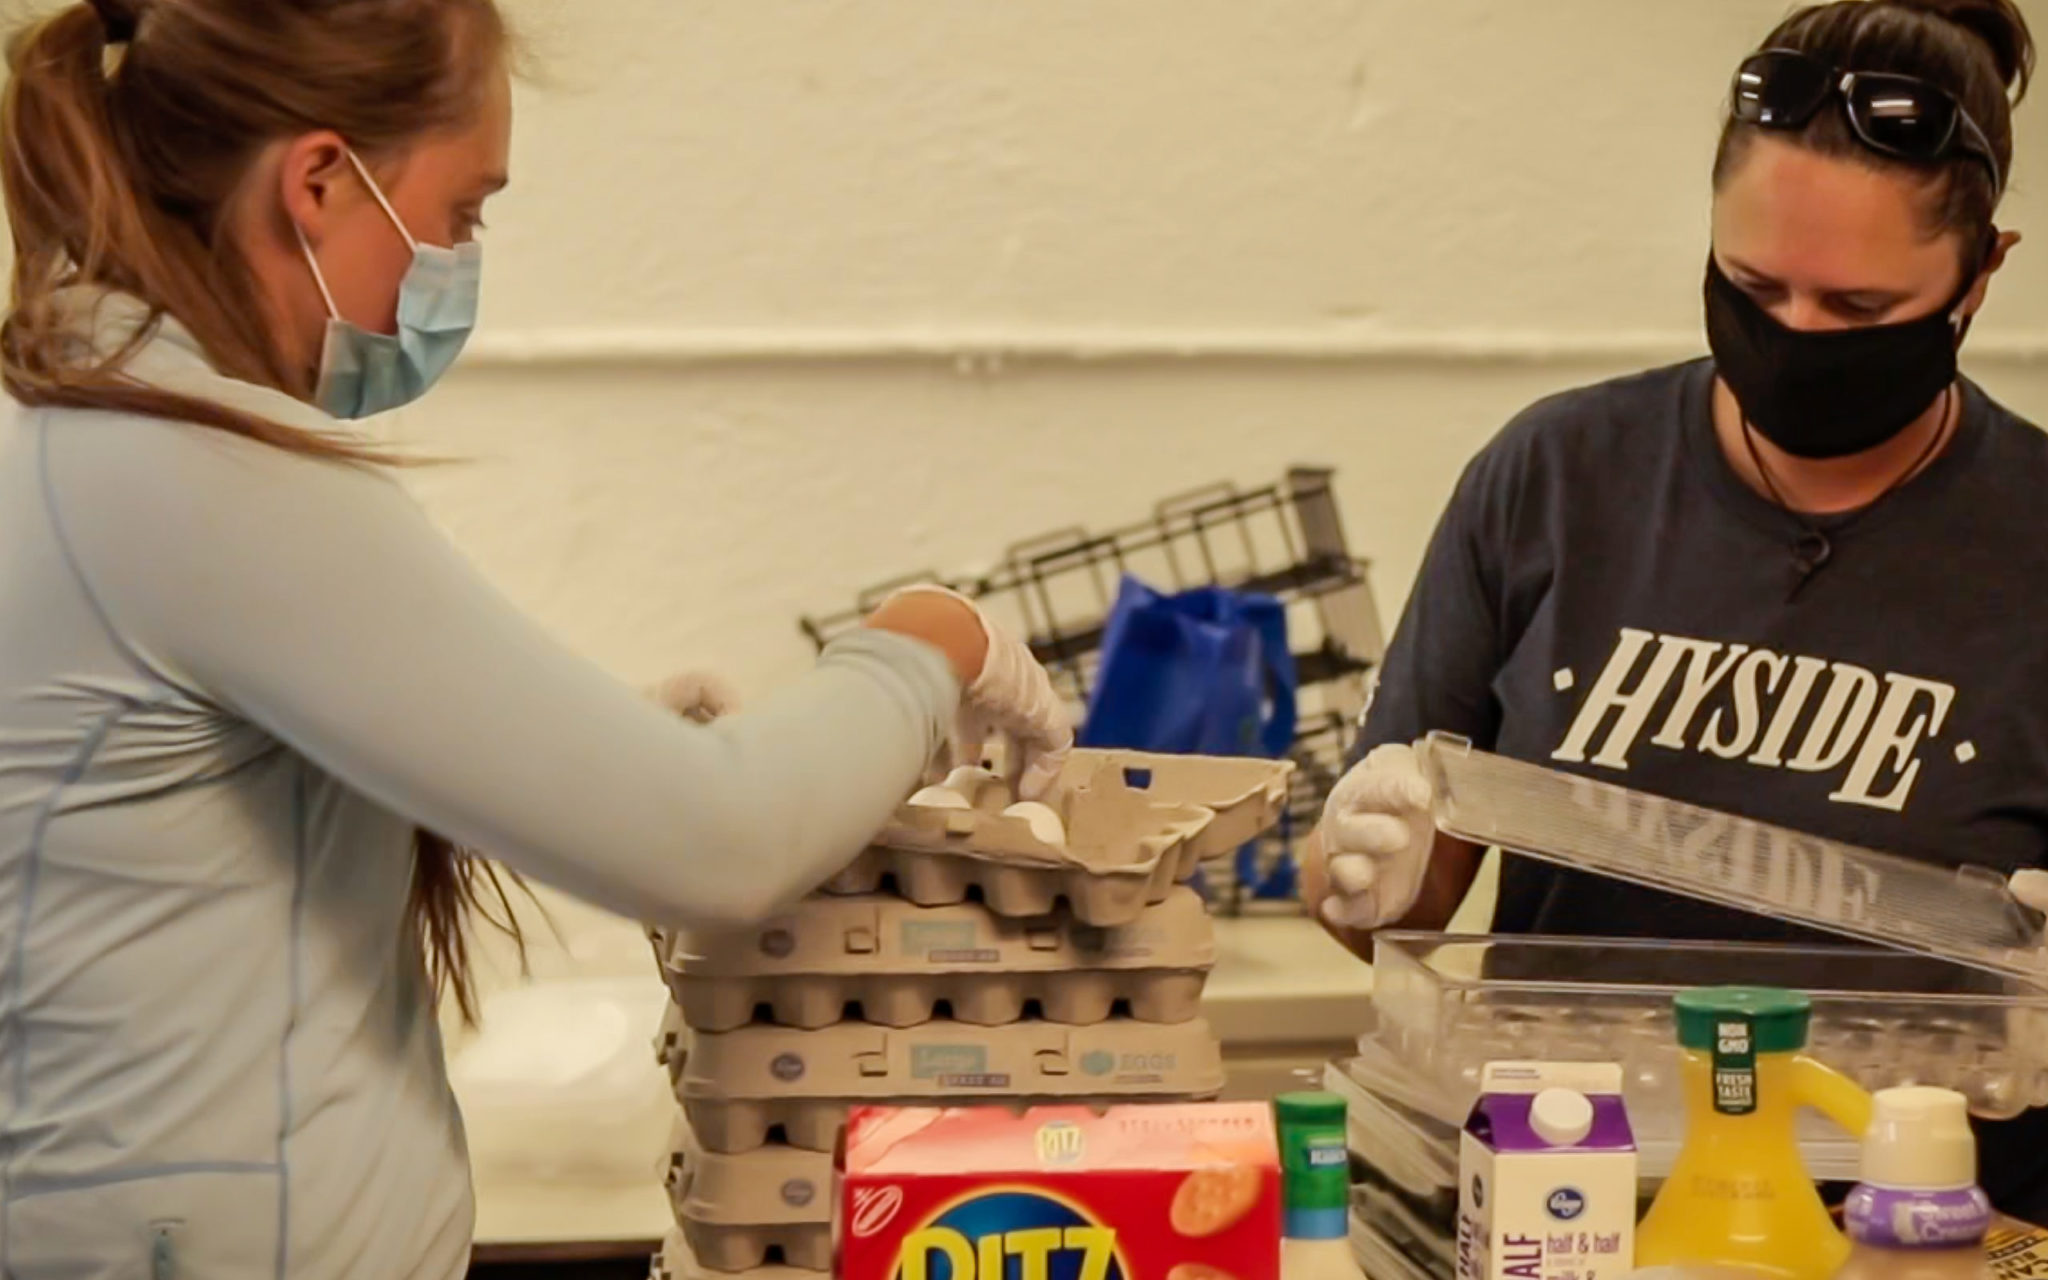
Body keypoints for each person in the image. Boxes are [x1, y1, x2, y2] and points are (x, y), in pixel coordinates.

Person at [0, 1, 1071, 1275]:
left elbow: (191, 825)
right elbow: (716, 841)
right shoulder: (189, 468)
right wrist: (926, 636)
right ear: (321, 181)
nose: (460, 259)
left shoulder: (87, 421)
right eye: (461, 214)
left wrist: (588, 737)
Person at [1304, 0, 2048, 1216]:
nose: (1794, 335)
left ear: (1980, 276)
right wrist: (1358, 870)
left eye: (1856, 310)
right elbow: (1391, 906)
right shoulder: (1554, 476)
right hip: (1566, 1213)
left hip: (1917, 1230)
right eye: (1751, 284)